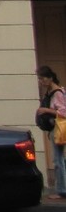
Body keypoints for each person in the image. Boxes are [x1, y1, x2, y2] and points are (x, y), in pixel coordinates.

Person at [36, 65, 66, 200]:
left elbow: (63, 112)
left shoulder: (57, 93)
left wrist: (46, 111)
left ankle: (62, 190)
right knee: (59, 158)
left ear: (50, 78)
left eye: (42, 79)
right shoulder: (50, 92)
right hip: (54, 128)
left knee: (58, 159)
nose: (40, 82)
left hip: (58, 128)